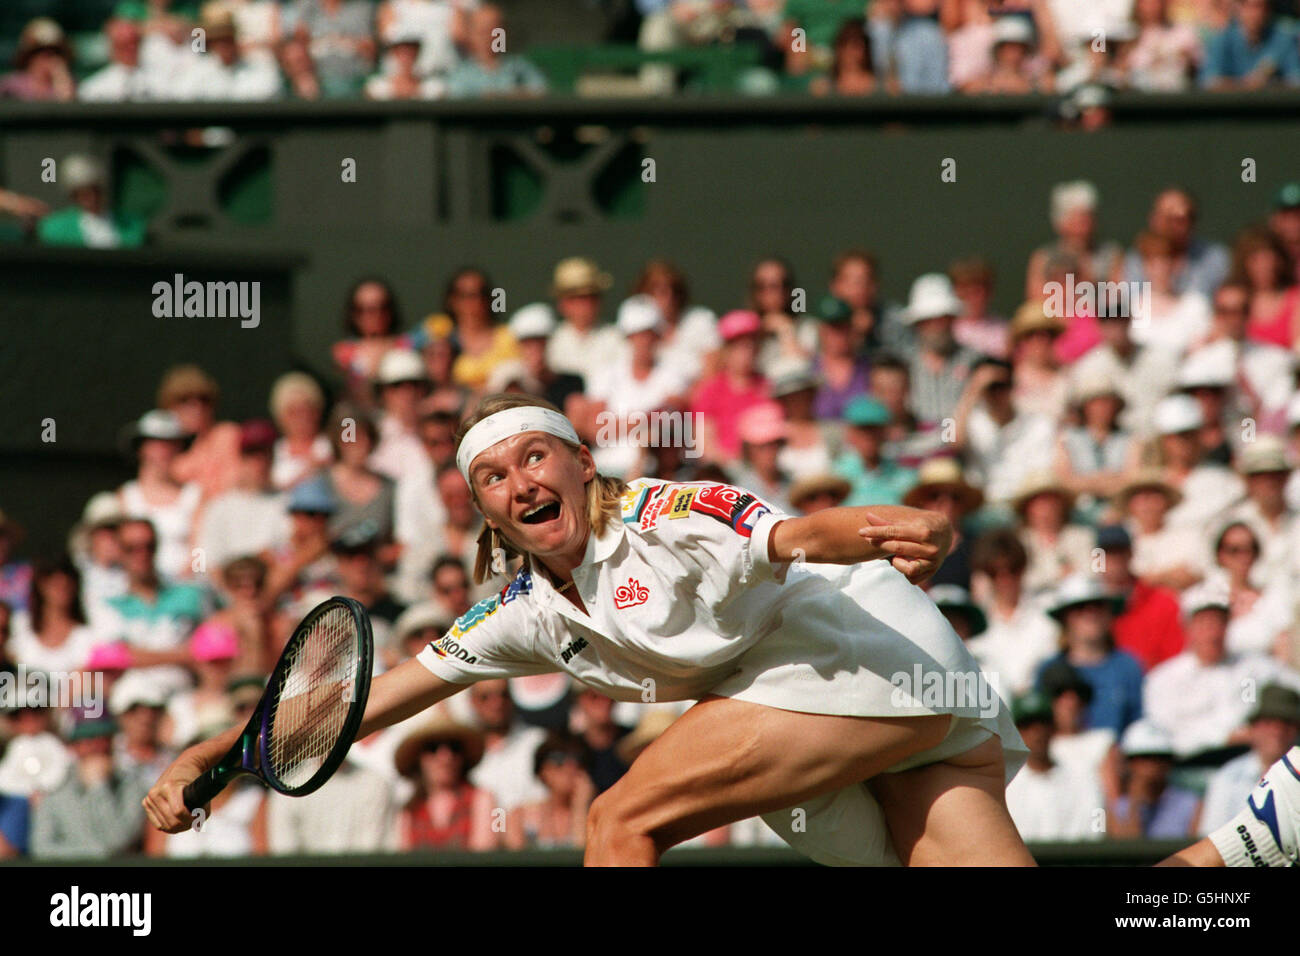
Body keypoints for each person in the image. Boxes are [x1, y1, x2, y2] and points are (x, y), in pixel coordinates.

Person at [149, 393, 1300, 867]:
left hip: (870, 660)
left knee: (620, 814)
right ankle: (1256, 838)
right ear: (483, 505)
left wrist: (894, 526)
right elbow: (365, 697)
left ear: (579, 457)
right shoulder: (517, 612)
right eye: (492, 474)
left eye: (534, 453)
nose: (517, 479)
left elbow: (796, 534)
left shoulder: (667, 512)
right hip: (890, 717)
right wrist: (223, 755)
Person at [1143, 581, 1300, 761]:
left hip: (1245, 760)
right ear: (1188, 627)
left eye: (1219, 622)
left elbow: (1293, 682)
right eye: (1204, 623)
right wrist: (1224, 737)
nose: (1212, 632)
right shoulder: (1164, 679)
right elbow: (1164, 738)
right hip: (1189, 766)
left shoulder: (1252, 667)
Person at [1036, 575, 1144, 738]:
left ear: (1109, 612)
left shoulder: (1128, 667)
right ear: (1065, 617)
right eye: (1080, 607)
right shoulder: (1048, 670)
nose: (1090, 613)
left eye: (1098, 605)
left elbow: (1138, 726)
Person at [32, 717, 149, 859]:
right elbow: (42, 848)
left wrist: (99, 787)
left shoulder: (132, 786)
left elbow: (118, 841)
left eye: (102, 739)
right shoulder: (56, 788)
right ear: (73, 746)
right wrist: (94, 852)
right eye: (87, 740)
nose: (95, 746)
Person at [1199, 685, 1300, 835]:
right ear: (1252, 729)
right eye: (1268, 723)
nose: (1277, 731)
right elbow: (1211, 834)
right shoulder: (1229, 776)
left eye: (1286, 724)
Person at [1003, 692, 1104, 842]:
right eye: (1027, 726)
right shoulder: (1005, 786)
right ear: (1016, 731)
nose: (1036, 733)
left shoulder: (1082, 779)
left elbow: (1097, 829)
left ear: (1053, 728)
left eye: (1043, 724)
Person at [116, 409, 202, 582]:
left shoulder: (195, 495)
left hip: (185, 590)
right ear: (142, 448)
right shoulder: (125, 497)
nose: (164, 450)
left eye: (171, 443)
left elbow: (201, 550)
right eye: (156, 443)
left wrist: (192, 576)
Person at [393, 715, 494, 850]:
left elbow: (486, 855)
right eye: (433, 748)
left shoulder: (483, 799)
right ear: (419, 759)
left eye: (454, 747)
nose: (445, 757)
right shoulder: (408, 813)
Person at [1107, 719, 1200, 839]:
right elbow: (1128, 851)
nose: (1152, 766)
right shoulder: (1116, 809)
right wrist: (1135, 804)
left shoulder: (1191, 804)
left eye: (1160, 757)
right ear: (1129, 763)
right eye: (1143, 758)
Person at [506, 732, 597, 849]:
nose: (570, 767)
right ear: (542, 771)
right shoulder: (520, 816)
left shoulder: (599, 817)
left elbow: (584, 858)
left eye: (578, 758)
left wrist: (580, 808)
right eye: (558, 759)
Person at [37, 154, 147, 250]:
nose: (92, 198)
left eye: (95, 190)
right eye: (83, 193)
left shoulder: (132, 225)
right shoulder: (54, 228)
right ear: (73, 195)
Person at [1200, 0, 1300, 89]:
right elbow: (1209, 82)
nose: (1256, 14)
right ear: (1239, 9)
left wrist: (1268, 85)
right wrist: (1244, 85)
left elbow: (1295, 80)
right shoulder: (1223, 39)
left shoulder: (1283, 38)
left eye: (1261, 7)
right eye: (1251, 7)